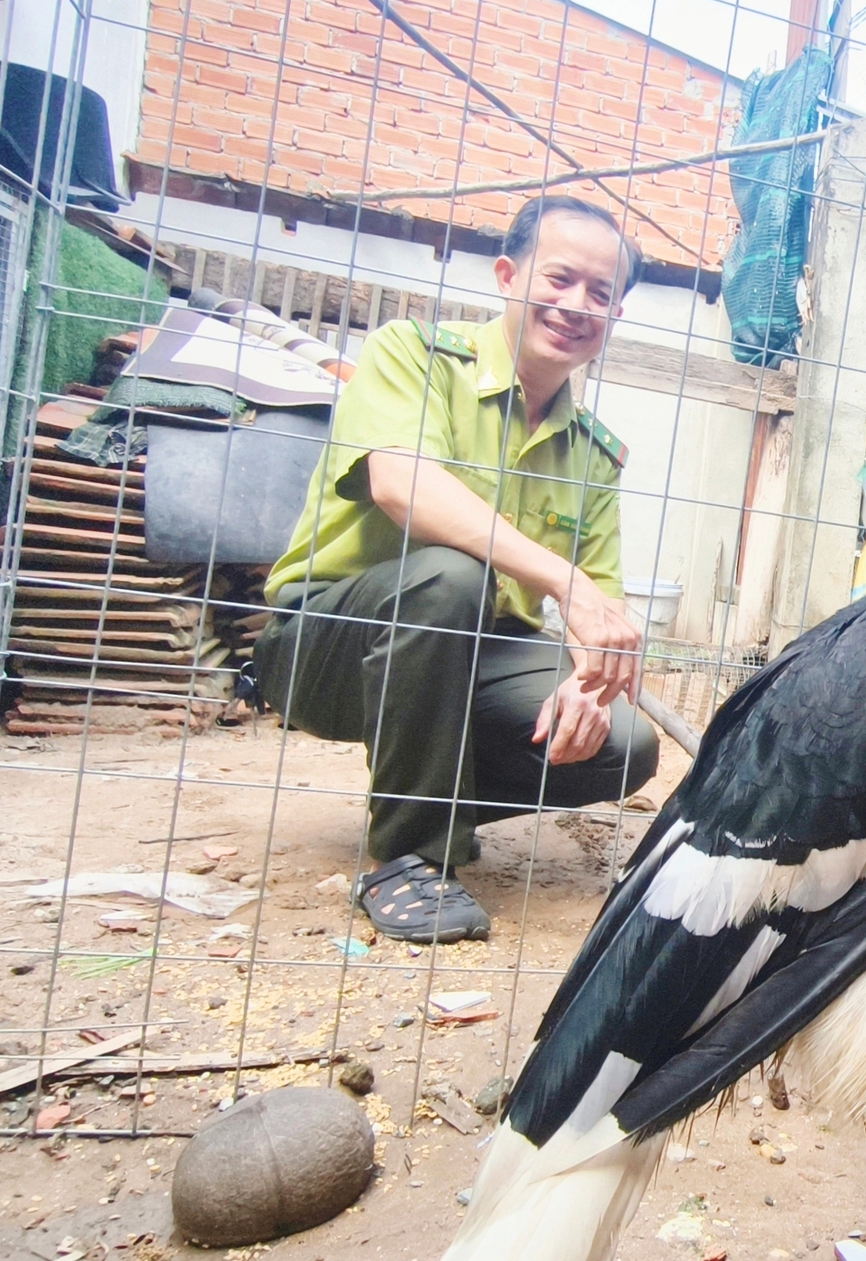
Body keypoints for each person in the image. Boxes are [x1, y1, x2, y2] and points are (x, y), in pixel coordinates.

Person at [255, 195, 659, 944]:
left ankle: (423, 794)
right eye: (561, 279)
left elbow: (602, 604)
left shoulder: (594, 455)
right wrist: (561, 582)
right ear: (508, 275)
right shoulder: (412, 353)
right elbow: (401, 486)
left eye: (602, 294)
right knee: (451, 577)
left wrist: (586, 682)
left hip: (471, 660)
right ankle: (404, 856)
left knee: (625, 742)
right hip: (331, 642)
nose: (577, 305)